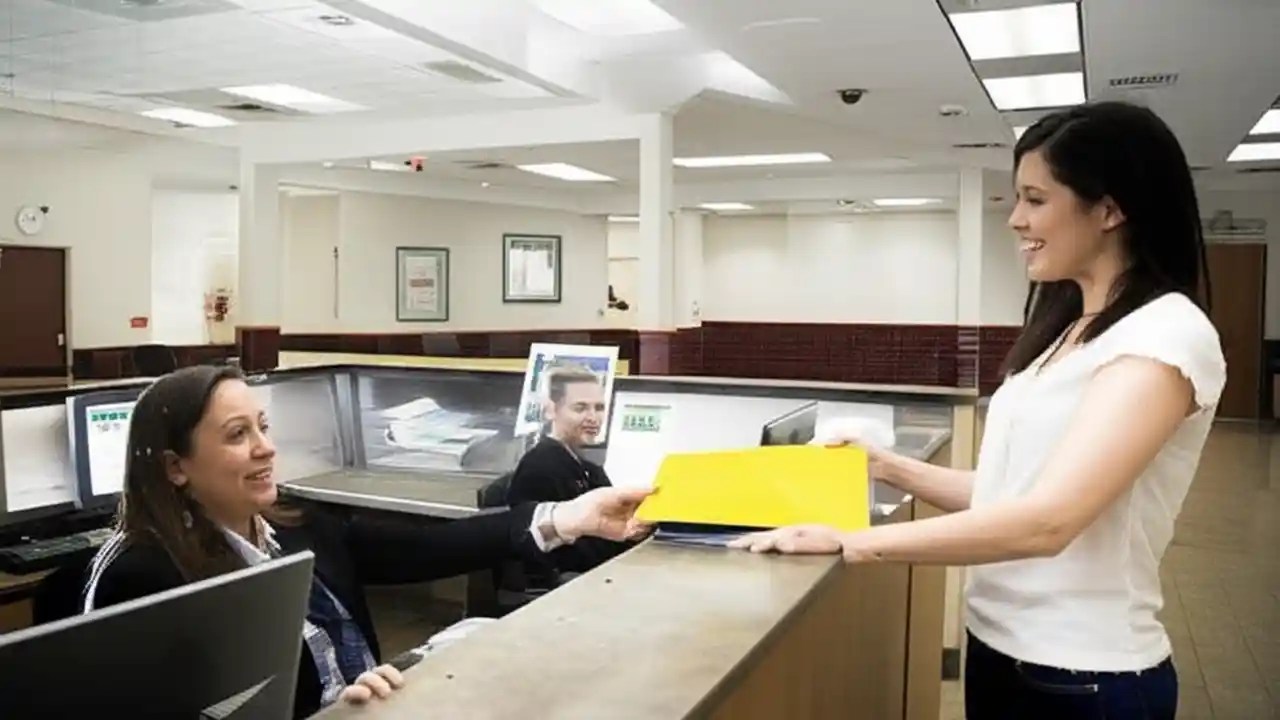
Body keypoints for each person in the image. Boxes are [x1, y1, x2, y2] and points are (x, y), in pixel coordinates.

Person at [730, 101, 1225, 720]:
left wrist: (850, 542)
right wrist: (884, 465)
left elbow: (1048, 521)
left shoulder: (1164, 336)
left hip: (1085, 676)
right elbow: (1007, 494)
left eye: (1035, 199)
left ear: (1109, 208)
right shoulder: (1069, 327)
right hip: (1000, 651)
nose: (1016, 221)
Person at [81, 365, 651, 719]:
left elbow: (428, 549)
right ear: (176, 467)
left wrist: (570, 517)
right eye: (238, 435)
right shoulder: (144, 573)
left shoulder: (296, 525)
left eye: (263, 426)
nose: (265, 448)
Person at [507, 366, 635, 579]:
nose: (593, 417)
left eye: (599, 407)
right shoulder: (540, 466)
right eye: (580, 408)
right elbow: (539, 543)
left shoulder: (589, 469)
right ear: (551, 410)